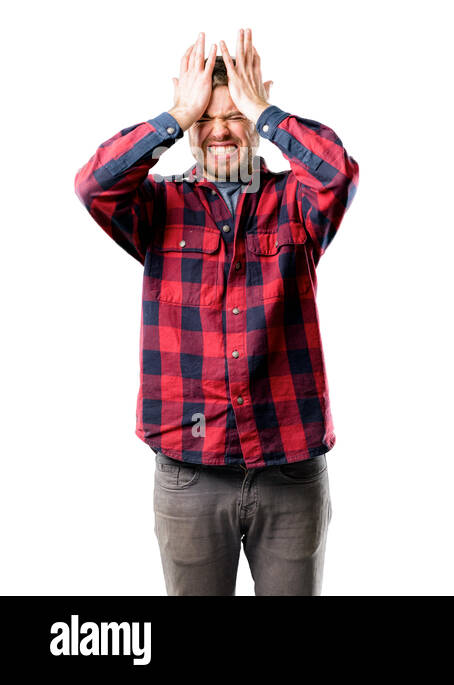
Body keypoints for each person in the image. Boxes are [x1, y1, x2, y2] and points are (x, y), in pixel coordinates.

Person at [74, 30, 359, 595]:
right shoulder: (157, 205)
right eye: (207, 120)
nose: (221, 130)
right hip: (189, 475)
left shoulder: (296, 205)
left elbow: (338, 174)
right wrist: (176, 114)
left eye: (234, 117)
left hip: (289, 473)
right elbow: (94, 186)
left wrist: (265, 110)